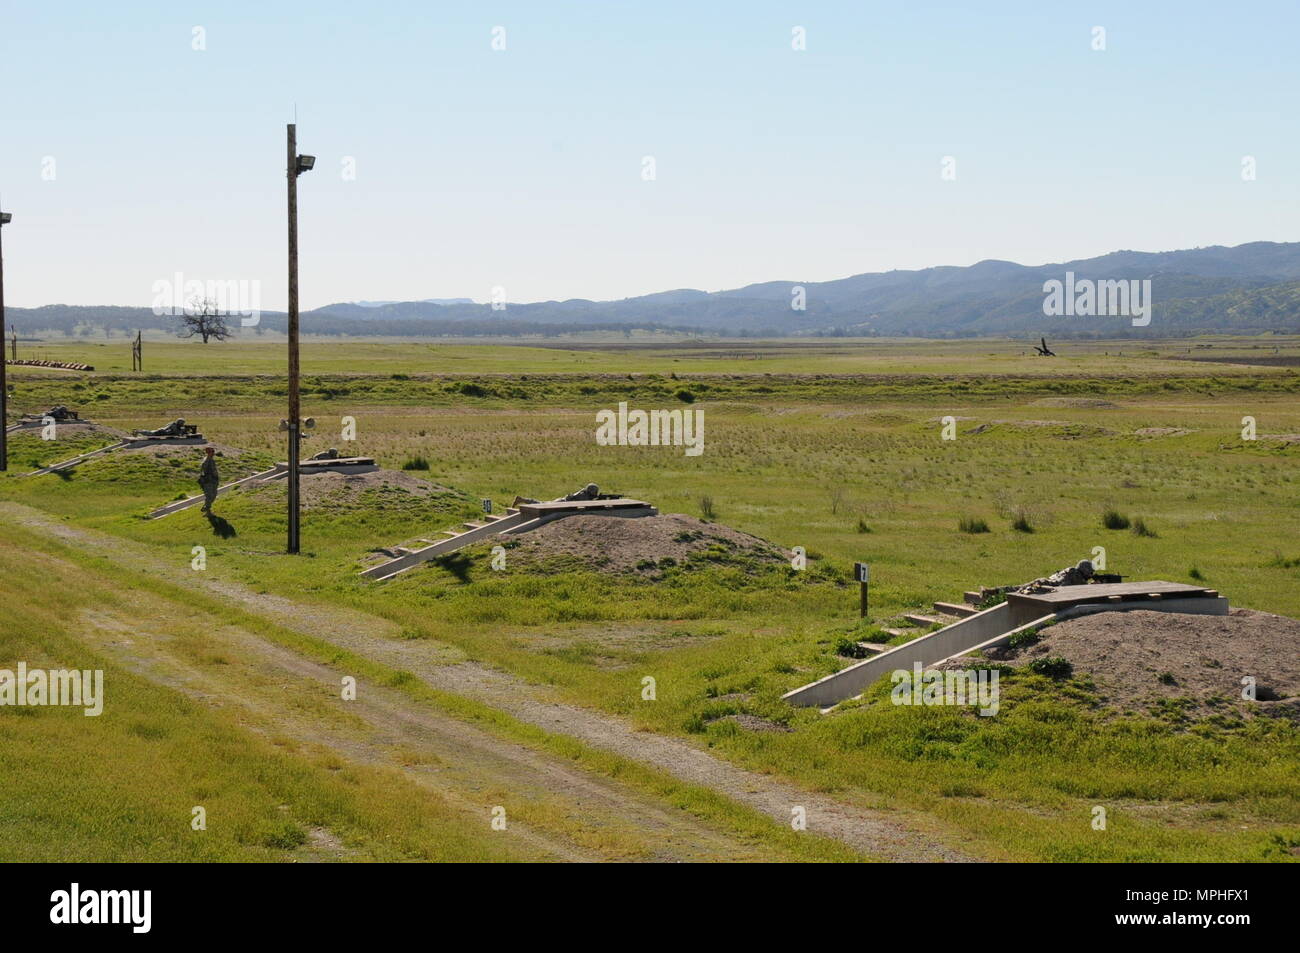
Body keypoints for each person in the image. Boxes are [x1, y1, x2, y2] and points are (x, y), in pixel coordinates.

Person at [198, 447, 220, 513]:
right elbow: (203, 470)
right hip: (208, 481)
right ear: (208, 453)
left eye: (213, 451)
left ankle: (206, 507)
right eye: (212, 452)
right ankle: (207, 510)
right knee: (209, 496)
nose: (213, 453)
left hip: (214, 480)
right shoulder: (206, 460)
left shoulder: (212, 460)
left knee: (214, 495)